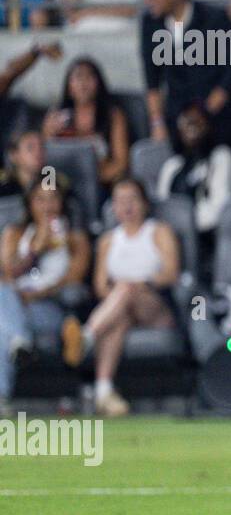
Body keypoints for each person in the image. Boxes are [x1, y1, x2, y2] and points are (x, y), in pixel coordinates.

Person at [64, 177, 180, 417]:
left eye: (132, 200)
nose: (127, 207)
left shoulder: (159, 231)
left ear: (145, 204)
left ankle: (86, 337)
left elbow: (171, 273)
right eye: (120, 201)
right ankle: (104, 392)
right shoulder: (108, 241)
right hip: (120, 310)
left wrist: (138, 285)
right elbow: (100, 286)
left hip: (155, 308)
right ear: (113, 207)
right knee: (120, 317)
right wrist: (121, 294)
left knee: (127, 289)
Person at [0, 182, 92, 415]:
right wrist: (36, 250)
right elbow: (9, 272)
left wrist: (37, 294)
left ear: (61, 203)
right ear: (30, 204)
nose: (47, 205)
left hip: (50, 308)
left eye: (52, 199)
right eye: (40, 199)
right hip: (13, 303)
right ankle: (19, 342)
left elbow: (74, 280)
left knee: (4, 323)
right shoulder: (15, 233)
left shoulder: (74, 237)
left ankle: (3, 392)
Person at [140, 0, 231, 149]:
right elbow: (152, 79)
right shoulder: (150, 23)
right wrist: (157, 123)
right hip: (176, 115)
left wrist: (203, 116)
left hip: (216, 116)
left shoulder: (215, 19)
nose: (148, 1)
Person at [157, 104, 231, 263]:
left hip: (207, 235)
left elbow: (219, 208)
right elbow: (164, 206)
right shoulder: (172, 166)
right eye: (186, 121)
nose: (192, 125)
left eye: (198, 121)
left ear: (209, 125)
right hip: (173, 236)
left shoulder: (222, 157)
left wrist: (186, 224)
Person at [41, 57, 130, 187]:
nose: (83, 83)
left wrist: (91, 179)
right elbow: (43, 157)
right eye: (78, 77)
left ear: (99, 83)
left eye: (89, 77)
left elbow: (121, 163)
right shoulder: (56, 115)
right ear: (69, 86)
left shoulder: (113, 115)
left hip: (101, 181)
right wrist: (49, 133)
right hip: (62, 182)